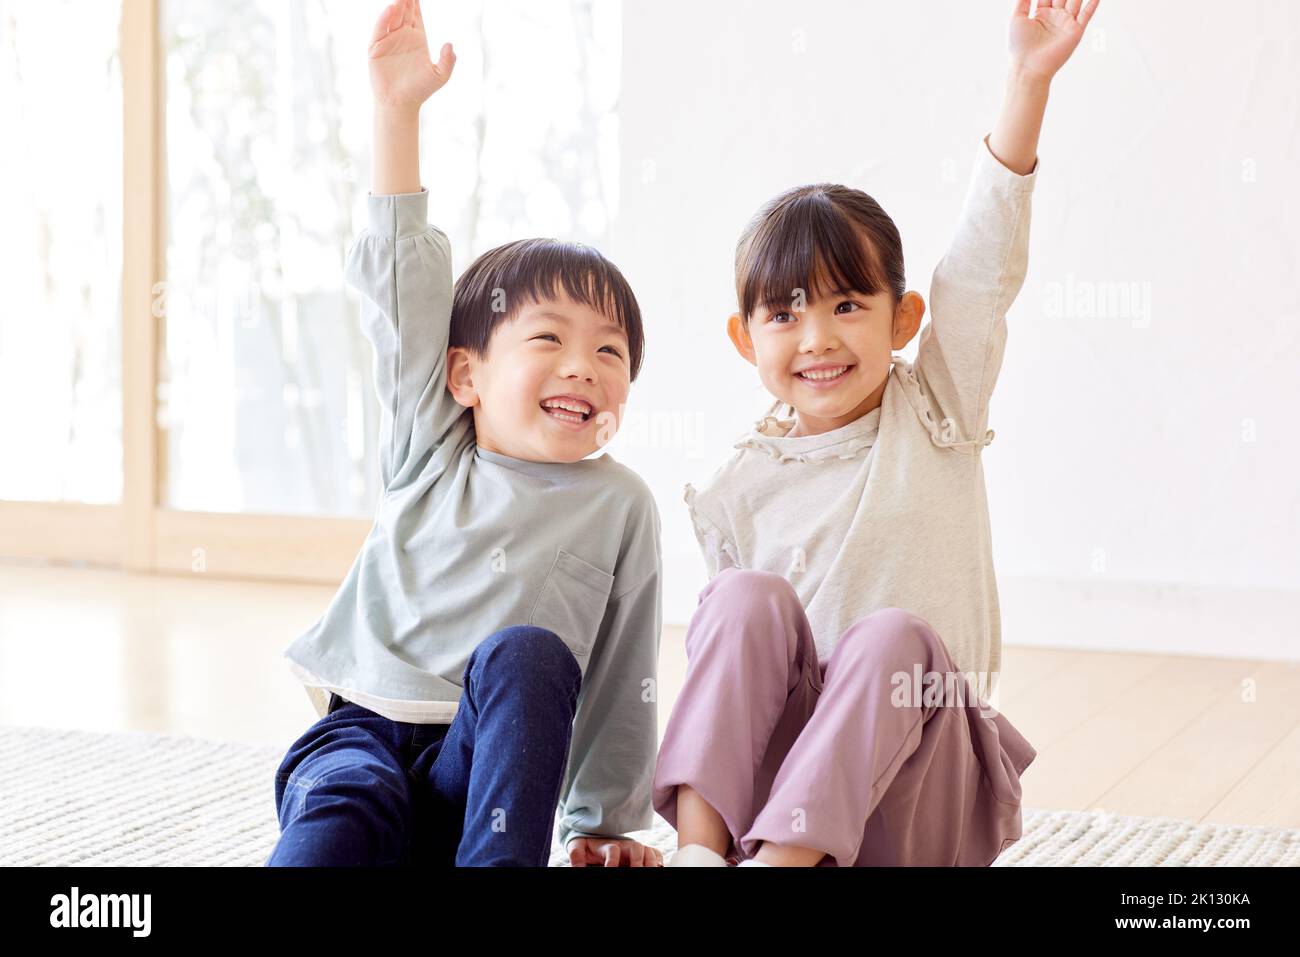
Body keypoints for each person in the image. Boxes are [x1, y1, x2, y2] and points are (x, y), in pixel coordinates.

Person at [655, 0, 1101, 867]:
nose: (817, 337)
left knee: (894, 637)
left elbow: (982, 262)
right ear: (746, 340)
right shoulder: (739, 486)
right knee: (741, 599)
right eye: (784, 314)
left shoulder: (937, 404)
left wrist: (1027, 80)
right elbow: (737, 693)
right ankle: (702, 857)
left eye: (847, 305)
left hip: (918, 796)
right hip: (786, 797)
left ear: (902, 320)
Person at [268, 0, 663, 868]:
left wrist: (604, 817)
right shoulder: (431, 440)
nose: (583, 367)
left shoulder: (621, 503)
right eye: (549, 339)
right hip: (357, 740)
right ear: (465, 377)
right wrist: (397, 114)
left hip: (480, 794)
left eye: (609, 351)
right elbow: (404, 294)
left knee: (529, 654)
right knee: (344, 807)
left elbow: (626, 667)